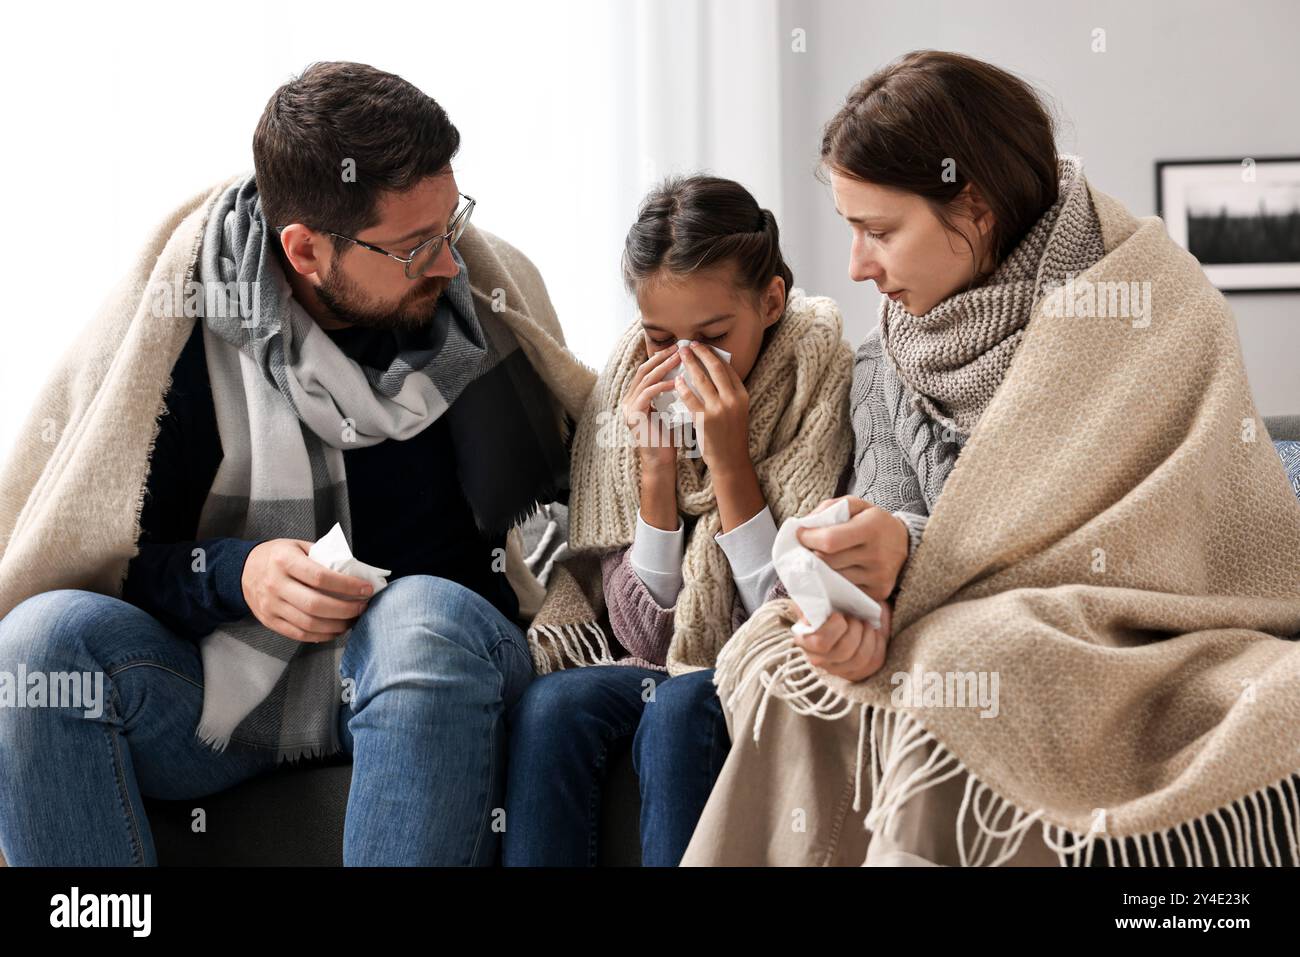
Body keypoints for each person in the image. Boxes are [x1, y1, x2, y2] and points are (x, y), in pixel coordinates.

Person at [682, 50, 1300, 867]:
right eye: (850, 231)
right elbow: (887, 521)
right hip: (960, 626)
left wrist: (918, 558)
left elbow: (1189, 531)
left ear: (970, 205)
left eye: (878, 231)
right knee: (811, 677)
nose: (857, 266)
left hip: (1155, 637)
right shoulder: (884, 363)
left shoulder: (1151, 301)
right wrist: (863, 600)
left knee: (960, 665)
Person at [0, 61, 594, 866]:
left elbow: (549, 528)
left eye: (451, 226)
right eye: (417, 247)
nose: (452, 264)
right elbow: (109, 556)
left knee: (418, 618)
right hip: (229, 682)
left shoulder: (482, 301)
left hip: (431, 663)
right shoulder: (177, 330)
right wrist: (236, 574)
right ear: (306, 250)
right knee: (35, 644)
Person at [503, 175, 854, 865]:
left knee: (679, 707)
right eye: (662, 334)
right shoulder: (627, 387)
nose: (684, 361)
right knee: (553, 705)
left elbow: (792, 618)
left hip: (774, 665)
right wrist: (655, 477)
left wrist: (731, 468)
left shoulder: (825, 384)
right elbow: (645, 639)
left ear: (772, 301)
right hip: (668, 665)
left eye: (714, 334)